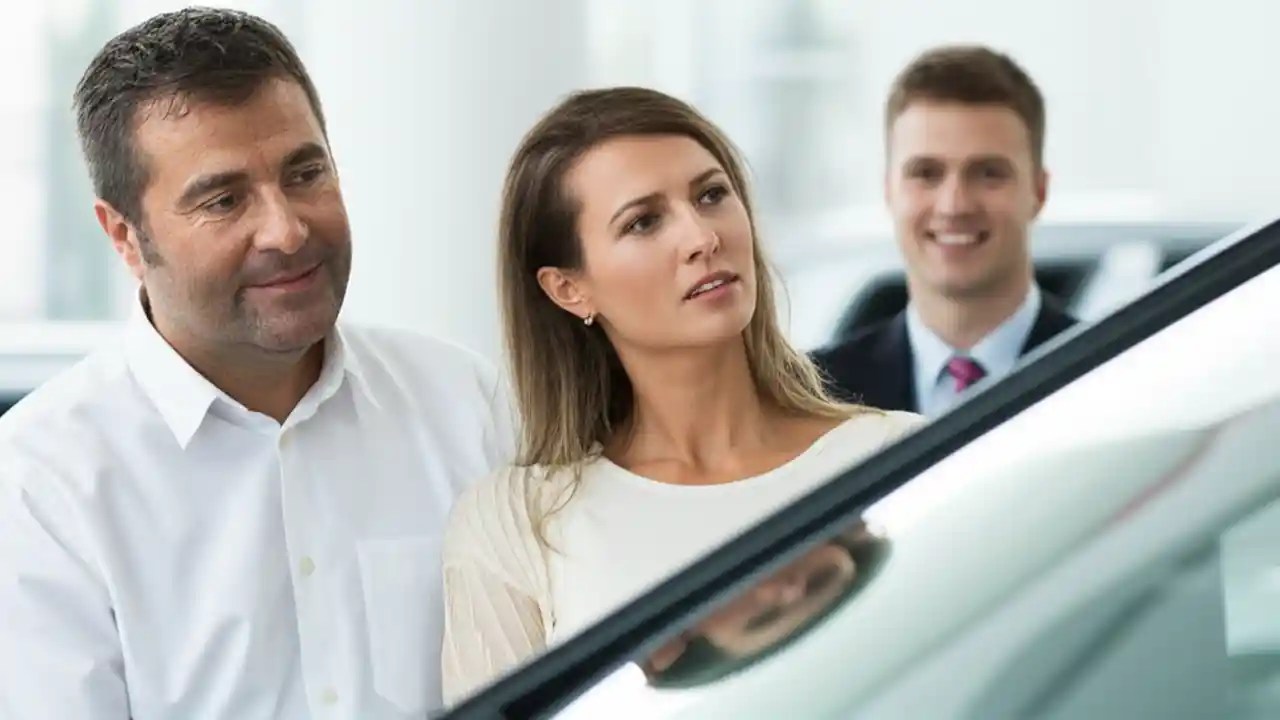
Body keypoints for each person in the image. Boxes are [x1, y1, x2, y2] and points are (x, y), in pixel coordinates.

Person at [0, 8, 513, 719]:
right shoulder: (36, 486)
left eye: (306, 173)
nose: (287, 229)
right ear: (124, 236)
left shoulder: (463, 402)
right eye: (224, 199)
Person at [438, 86, 922, 707]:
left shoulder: (897, 456)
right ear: (568, 290)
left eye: (711, 195)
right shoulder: (516, 525)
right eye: (643, 221)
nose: (701, 237)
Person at [812, 45, 1077, 417]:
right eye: (926, 173)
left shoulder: (1111, 376)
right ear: (889, 190)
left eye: (988, 173)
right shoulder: (814, 401)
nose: (954, 205)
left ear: (1038, 191)